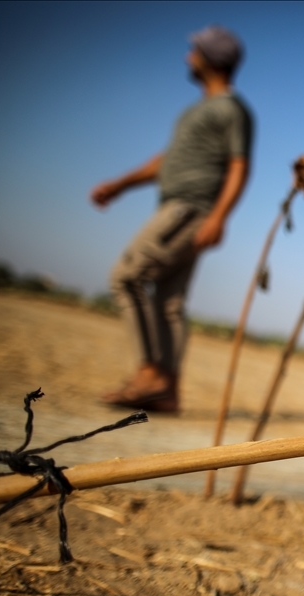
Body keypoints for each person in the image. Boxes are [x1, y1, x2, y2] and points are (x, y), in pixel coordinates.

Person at [91, 26, 253, 412]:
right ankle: (167, 393)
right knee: (169, 303)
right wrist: (120, 185)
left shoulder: (229, 109)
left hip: (188, 209)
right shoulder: (195, 111)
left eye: (193, 50)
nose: (187, 57)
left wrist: (218, 217)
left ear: (211, 59)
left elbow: (238, 166)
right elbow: (164, 163)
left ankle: (149, 372)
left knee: (126, 277)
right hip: (181, 206)